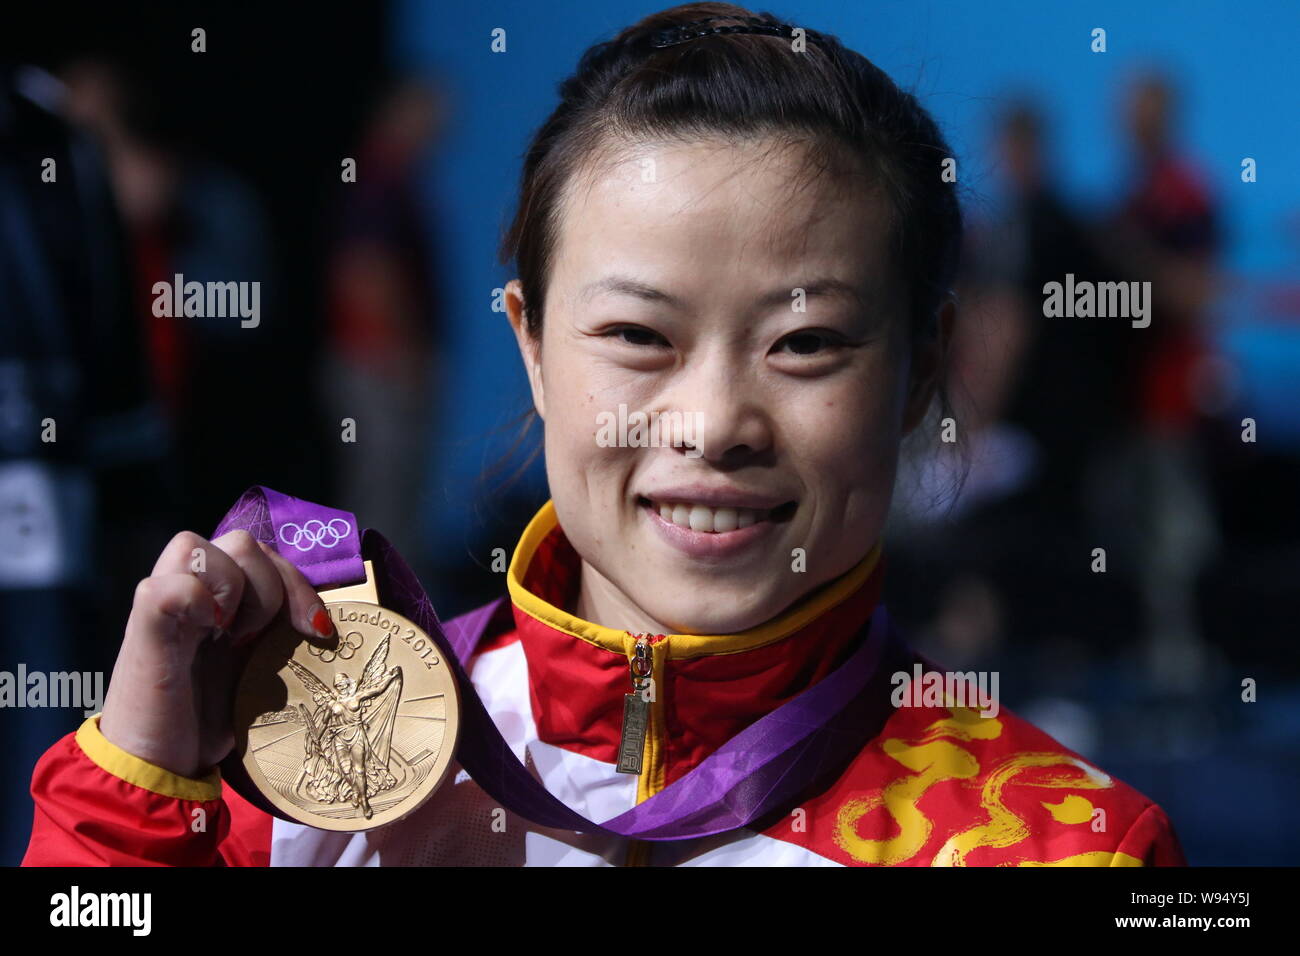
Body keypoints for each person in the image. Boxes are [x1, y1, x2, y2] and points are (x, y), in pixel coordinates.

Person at [21, 3, 1185, 866]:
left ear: (923, 366)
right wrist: (131, 795)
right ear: (530, 343)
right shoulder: (291, 754)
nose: (714, 422)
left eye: (807, 342)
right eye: (637, 333)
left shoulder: (1068, 844)